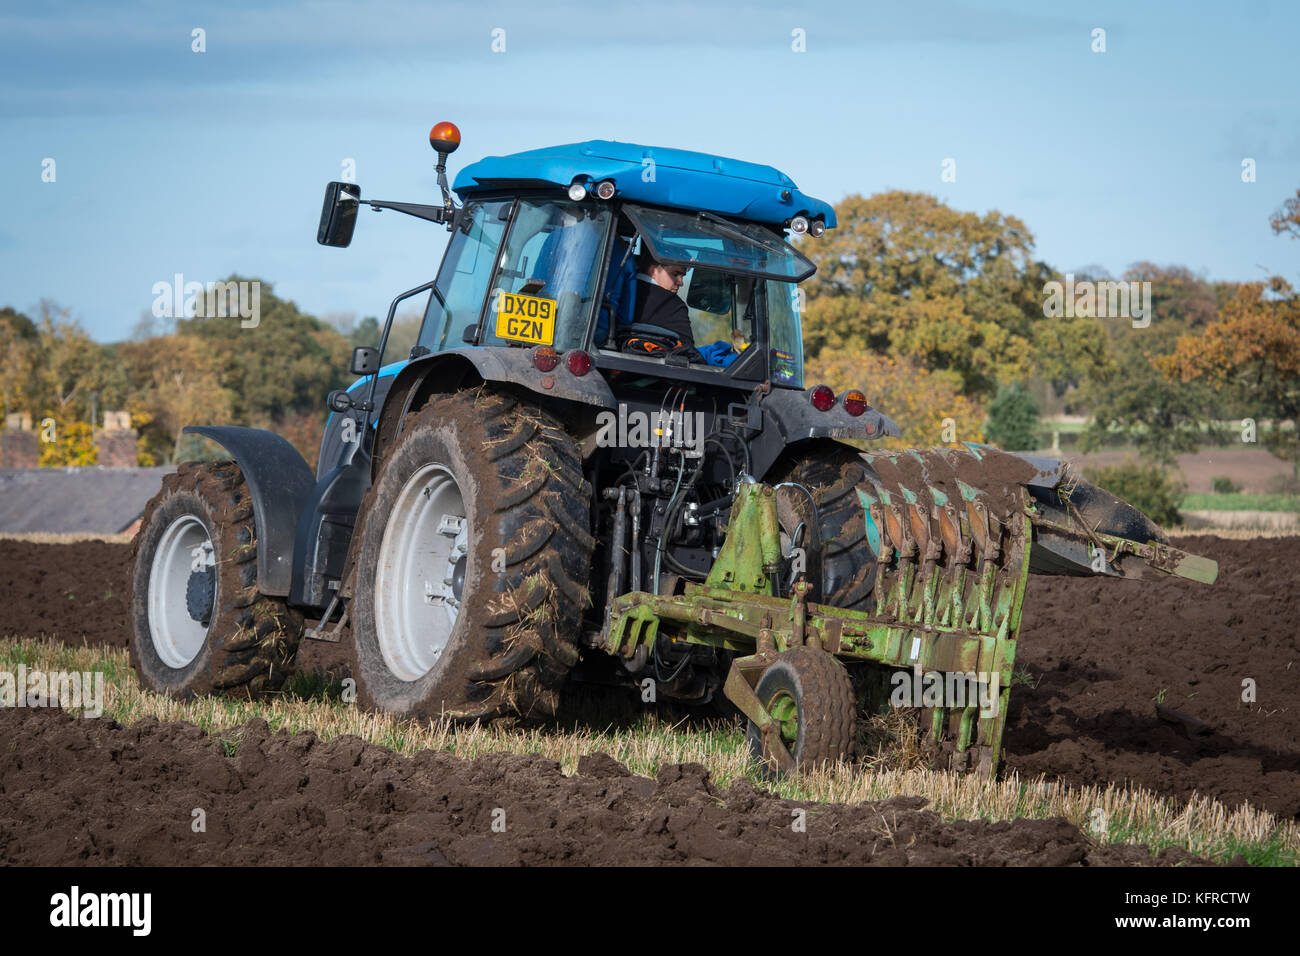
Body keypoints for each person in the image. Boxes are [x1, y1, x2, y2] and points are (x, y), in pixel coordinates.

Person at [631, 249, 695, 349]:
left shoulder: (621, 289)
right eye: (675, 274)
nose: (681, 282)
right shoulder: (674, 305)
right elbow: (688, 350)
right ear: (653, 270)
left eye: (682, 276)